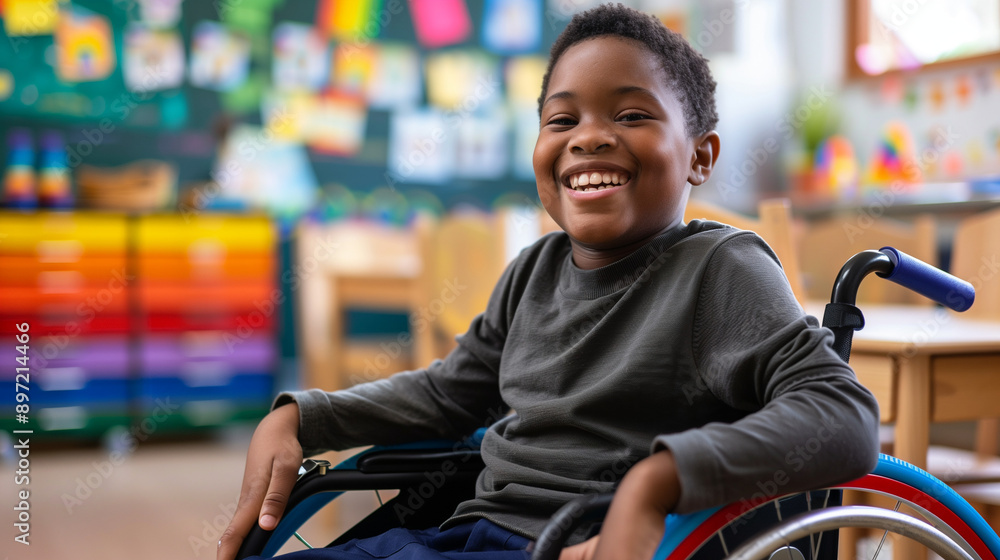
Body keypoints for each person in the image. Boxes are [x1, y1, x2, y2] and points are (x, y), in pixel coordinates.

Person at [218, 4, 880, 560]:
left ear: (700, 156)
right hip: (465, 534)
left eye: (630, 116)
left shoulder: (720, 269)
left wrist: (659, 480)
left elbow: (845, 419)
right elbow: (448, 396)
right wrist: (302, 416)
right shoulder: (531, 272)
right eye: (562, 121)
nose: (588, 138)